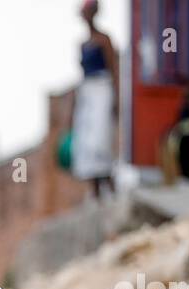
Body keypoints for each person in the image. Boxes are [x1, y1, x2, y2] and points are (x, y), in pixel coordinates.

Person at [71, 0, 119, 197]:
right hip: (87, 93)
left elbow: (114, 69)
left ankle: (111, 189)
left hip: (103, 89)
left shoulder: (104, 39)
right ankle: (95, 194)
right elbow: (80, 76)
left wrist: (116, 98)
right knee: (86, 140)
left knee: (101, 139)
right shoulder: (82, 44)